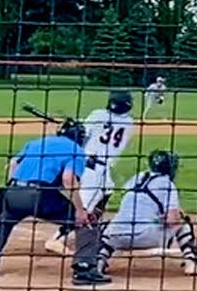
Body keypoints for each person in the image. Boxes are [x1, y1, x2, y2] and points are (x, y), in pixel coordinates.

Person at [0, 119, 100, 279]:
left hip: (12, 192)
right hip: (40, 196)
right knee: (86, 223)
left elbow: (13, 164)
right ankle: (84, 268)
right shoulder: (76, 150)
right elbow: (68, 180)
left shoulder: (37, 142)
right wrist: (80, 211)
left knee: (4, 220)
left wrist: (12, 188)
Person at [43, 89, 135, 262]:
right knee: (83, 207)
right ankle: (56, 239)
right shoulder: (130, 123)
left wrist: (72, 127)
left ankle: (91, 232)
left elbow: (80, 137)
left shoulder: (97, 114)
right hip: (94, 170)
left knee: (106, 193)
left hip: (94, 167)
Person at [95, 150, 197, 278]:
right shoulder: (167, 184)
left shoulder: (136, 178)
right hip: (146, 237)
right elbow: (172, 220)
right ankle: (193, 263)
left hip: (116, 237)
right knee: (183, 223)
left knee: (107, 227)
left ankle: (98, 264)